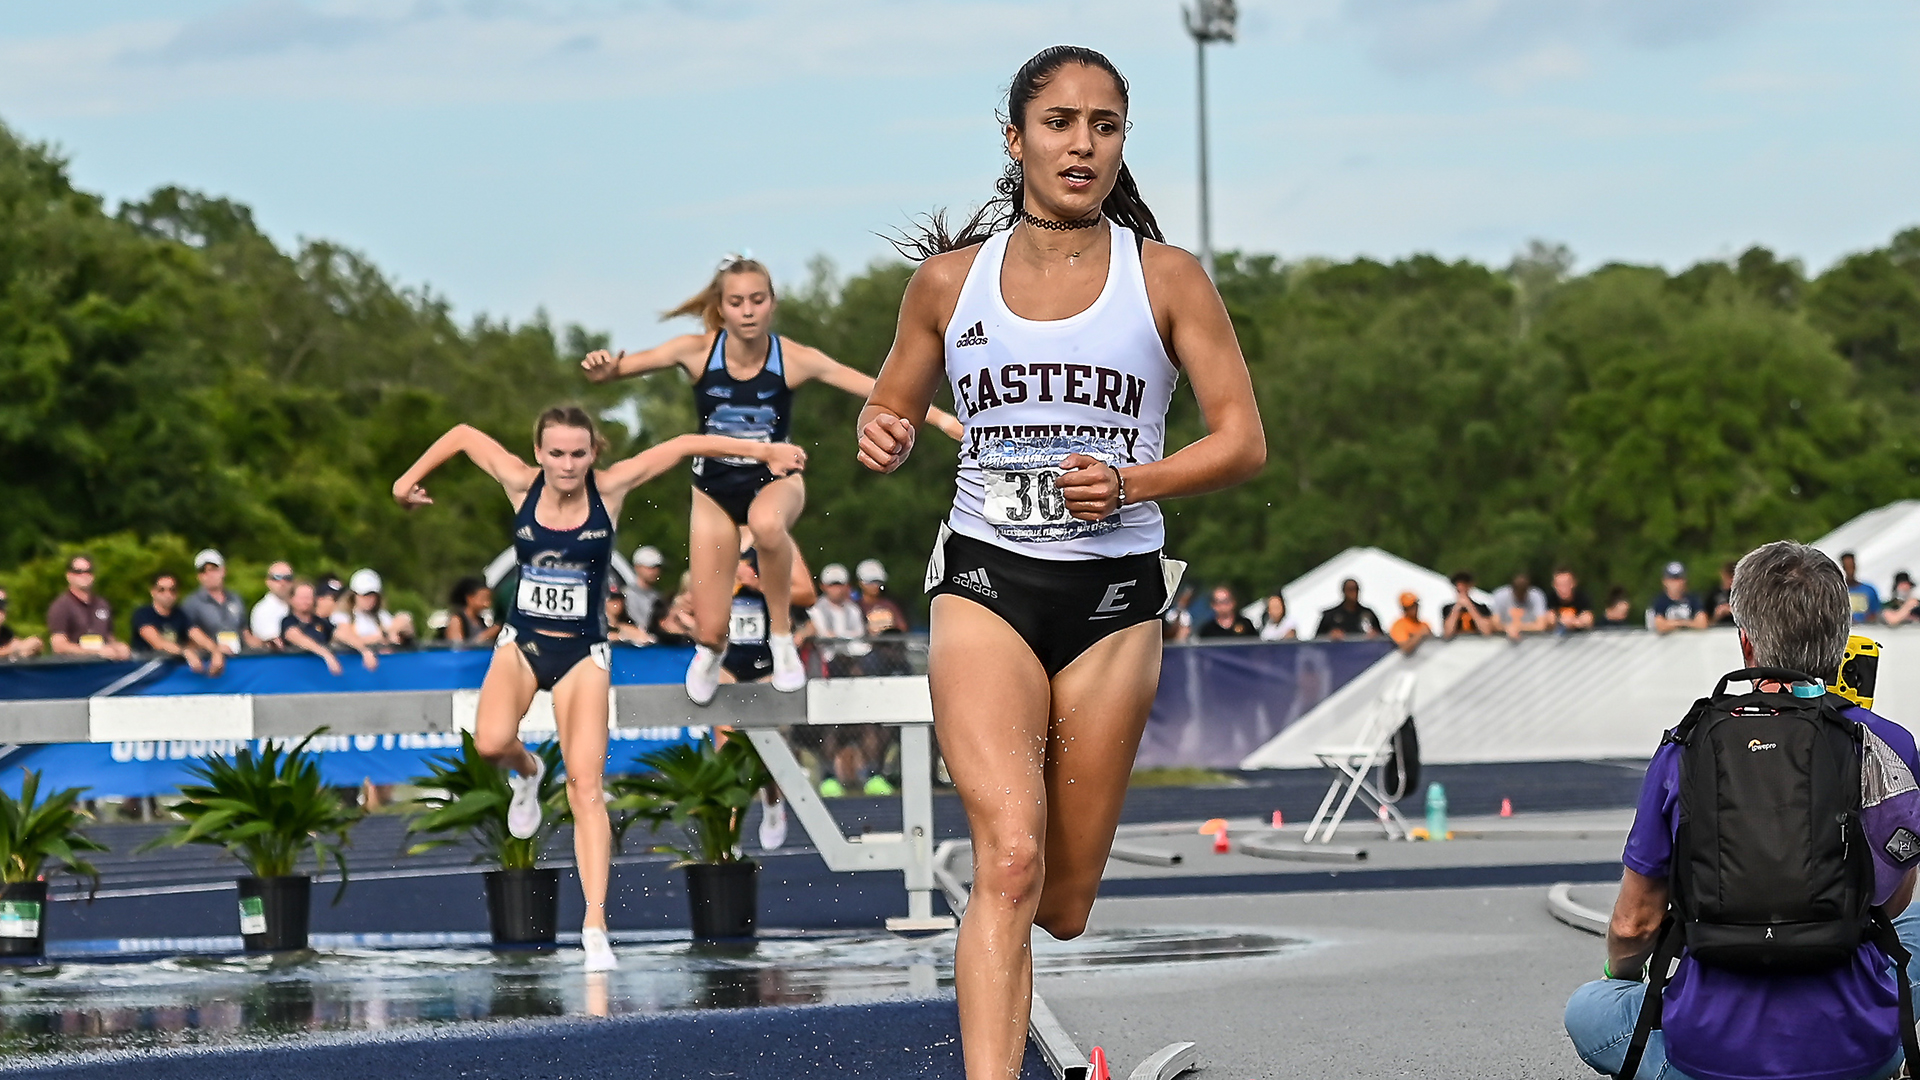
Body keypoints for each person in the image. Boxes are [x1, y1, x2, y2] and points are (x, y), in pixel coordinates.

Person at [856, 45, 1265, 1080]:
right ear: (1016, 137)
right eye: (1060, 122)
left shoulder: (1163, 276)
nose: (1082, 143)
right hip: (987, 575)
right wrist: (884, 431)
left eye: (1105, 125)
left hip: (1115, 598)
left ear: (1122, 142)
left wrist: (1132, 483)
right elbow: (892, 401)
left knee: (1067, 898)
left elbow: (1242, 442)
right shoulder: (948, 283)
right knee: (1011, 857)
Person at [393, 405, 805, 971]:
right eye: (557, 453)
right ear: (538, 452)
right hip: (522, 643)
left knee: (588, 788)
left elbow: (685, 443)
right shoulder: (520, 483)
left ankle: (594, 927)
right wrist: (406, 480)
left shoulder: (609, 491)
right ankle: (529, 773)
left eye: (579, 454)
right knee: (491, 743)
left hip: (584, 654)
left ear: (595, 453)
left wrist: (765, 454)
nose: (567, 466)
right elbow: (464, 432)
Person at [1564, 540, 1920, 1080]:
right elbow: (1891, 902)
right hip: (1854, 1050)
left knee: (1591, 1008)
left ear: (1745, 641)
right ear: (1843, 640)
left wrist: (1624, 975)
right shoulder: (1886, 745)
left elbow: (1635, 924)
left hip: (1712, 1052)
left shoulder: (1684, 747)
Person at [580, 260, 963, 705]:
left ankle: (781, 638)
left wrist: (935, 416)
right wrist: (602, 368)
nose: (747, 311)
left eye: (757, 300)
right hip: (712, 491)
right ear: (721, 309)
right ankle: (712, 649)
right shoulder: (696, 351)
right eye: (736, 302)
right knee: (708, 627)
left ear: (772, 305)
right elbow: (621, 369)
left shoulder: (793, 359)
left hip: (776, 479)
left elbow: (872, 386)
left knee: (765, 524)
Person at [282, 580, 379, 676]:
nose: (306, 601)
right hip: (296, 675)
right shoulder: (288, 621)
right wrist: (326, 655)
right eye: (302, 598)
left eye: (309, 597)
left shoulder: (321, 622)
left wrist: (364, 650)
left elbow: (340, 633)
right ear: (291, 599)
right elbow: (295, 637)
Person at [130, 571, 219, 675]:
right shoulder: (143, 614)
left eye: (172, 590)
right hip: (145, 676)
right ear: (153, 591)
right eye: (161, 590)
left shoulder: (180, 614)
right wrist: (185, 652)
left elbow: (198, 636)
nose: (167, 594)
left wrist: (216, 652)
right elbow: (158, 643)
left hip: (173, 675)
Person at [47, 554, 130, 660]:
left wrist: (118, 647)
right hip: (74, 667)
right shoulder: (61, 606)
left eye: (88, 571)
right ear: (69, 575)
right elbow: (59, 646)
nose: (84, 575)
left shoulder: (103, 604)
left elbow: (109, 637)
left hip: (103, 667)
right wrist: (95, 652)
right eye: (78, 571)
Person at [182, 550, 260, 656]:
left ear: (223, 571)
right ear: (199, 576)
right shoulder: (191, 603)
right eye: (203, 571)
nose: (209, 574)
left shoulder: (236, 599)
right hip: (209, 661)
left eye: (214, 569)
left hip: (239, 658)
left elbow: (244, 630)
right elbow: (188, 638)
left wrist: (258, 644)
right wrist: (214, 648)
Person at [340, 569, 415, 647]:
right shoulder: (344, 616)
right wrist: (379, 637)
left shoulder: (381, 616)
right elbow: (344, 637)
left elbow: (401, 625)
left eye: (373, 595)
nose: (369, 599)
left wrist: (398, 629)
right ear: (354, 595)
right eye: (365, 595)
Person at [1651, 561, 1709, 633]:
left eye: (1678, 579)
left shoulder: (1693, 599)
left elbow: (1702, 624)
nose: (1675, 583)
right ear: (1664, 581)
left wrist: (1675, 624)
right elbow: (1660, 626)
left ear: (1685, 581)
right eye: (1671, 579)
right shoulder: (1661, 601)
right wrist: (1685, 623)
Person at [1489, 572, 1549, 641]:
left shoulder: (1536, 596)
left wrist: (1518, 627)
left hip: (1531, 638)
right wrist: (1507, 628)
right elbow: (1495, 623)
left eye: (1523, 593)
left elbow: (1541, 625)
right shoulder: (1500, 595)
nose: (1521, 596)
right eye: (1518, 593)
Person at [856, 558, 910, 633]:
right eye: (870, 582)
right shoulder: (855, 607)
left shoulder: (889, 605)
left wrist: (889, 626)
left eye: (878, 582)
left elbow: (902, 627)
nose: (875, 586)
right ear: (861, 583)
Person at [1316, 579, 1382, 640]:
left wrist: (1375, 634)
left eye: (1356, 589)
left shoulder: (1368, 614)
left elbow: (1382, 636)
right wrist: (1330, 636)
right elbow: (1317, 639)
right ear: (1344, 591)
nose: (1354, 593)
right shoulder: (1331, 615)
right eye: (1351, 589)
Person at [444, 576, 500, 646]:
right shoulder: (457, 619)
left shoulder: (479, 620)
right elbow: (458, 647)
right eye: (483, 599)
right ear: (469, 598)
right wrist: (488, 634)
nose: (487, 604)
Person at [250, 562, 295, 647]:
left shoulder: (298, 605)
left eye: (287, 578)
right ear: (268, 582)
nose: (282, 582)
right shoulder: (262, 610)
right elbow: (276, 643)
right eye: (277, 577)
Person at [1442, 571, 1493, 639]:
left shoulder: (1482, 608)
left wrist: (1470, 606)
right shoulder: (1447, 609)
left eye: (1464, 585)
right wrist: (1457, 608)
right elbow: (1447, 633)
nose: (1461, 588)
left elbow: (1487, 631)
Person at [627, 545, 666, 630]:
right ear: (637, 567)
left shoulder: (659, 597)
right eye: (650, 567)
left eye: (657, 567)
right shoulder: (627, 595)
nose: (655, 571)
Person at [0, 588, 44, 660]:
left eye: (3, 604)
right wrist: (13, 650)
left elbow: (20, 645)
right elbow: (15, 648)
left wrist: (32, 645)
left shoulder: (6, 633)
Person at [1841, 552, 1882, 624]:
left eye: (1851, 567)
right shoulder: (1839, 591)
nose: (1850, 571)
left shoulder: (1869, 590)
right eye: (1847, 567)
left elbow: (1876, 612)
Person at [1706, 561, 1736, 627]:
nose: (1730, 580)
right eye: (1728, 576)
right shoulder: (1713, 594)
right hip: (1717, 630)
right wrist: (1717, 615)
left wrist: (1733, 611)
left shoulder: (1741, 594)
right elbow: (1706, 622)